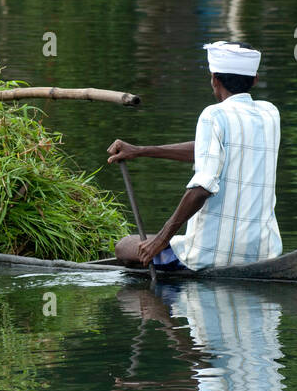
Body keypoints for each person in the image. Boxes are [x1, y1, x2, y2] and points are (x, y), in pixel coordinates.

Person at [107, 40, 282, 271]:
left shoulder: (213, 115)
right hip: (265, 251)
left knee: (124, 246)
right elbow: (209, 149)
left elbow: (202, 189)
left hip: (208, 256)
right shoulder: (270, 113)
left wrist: (160, 240)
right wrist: (141, 151)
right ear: (255, 80)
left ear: (215, 79)